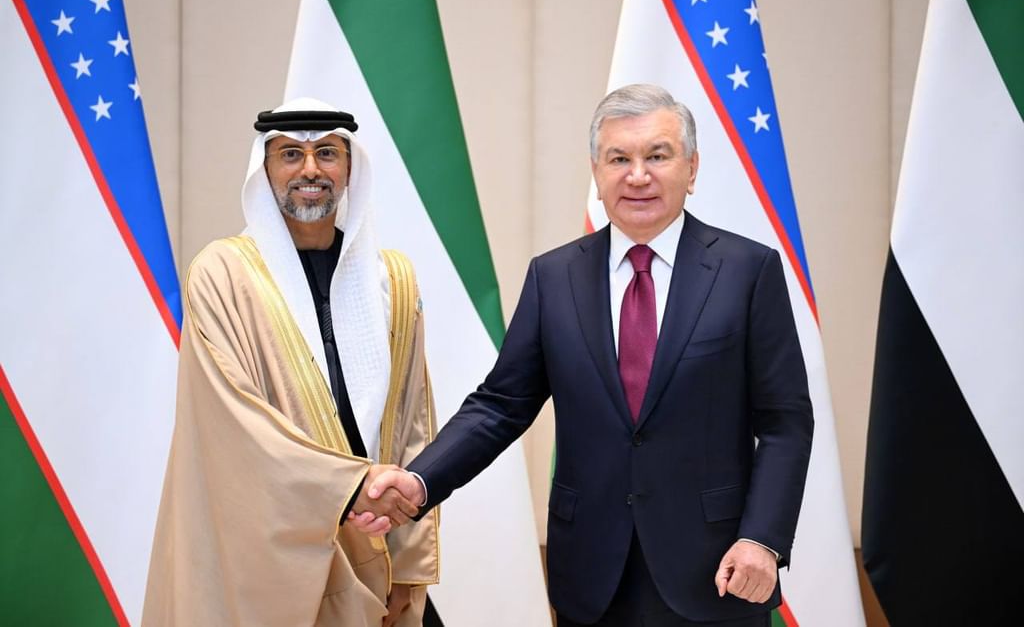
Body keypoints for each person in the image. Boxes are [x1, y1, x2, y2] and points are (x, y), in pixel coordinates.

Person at [363, 84, 814, 626]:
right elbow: (500, 404)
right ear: (596, 174)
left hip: (717, 570)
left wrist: (762, 539)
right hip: (593, 573)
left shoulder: (748, 271)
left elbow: (786, 422)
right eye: (619, 158)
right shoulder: (554, 277)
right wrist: (420, 480)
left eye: (658, 156)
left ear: (691, 170)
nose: (638, 175)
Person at [142, 98, 439, 627]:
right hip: (273, 554)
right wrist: (343, 488)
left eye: (327, 153)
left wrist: (411, 567)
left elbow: (413, 423)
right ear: (266, 168)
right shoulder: (223, 274)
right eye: (289, 155)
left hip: (380, 542)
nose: (310, 169)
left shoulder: (391, 279)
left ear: (350, 169)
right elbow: (234, 426)